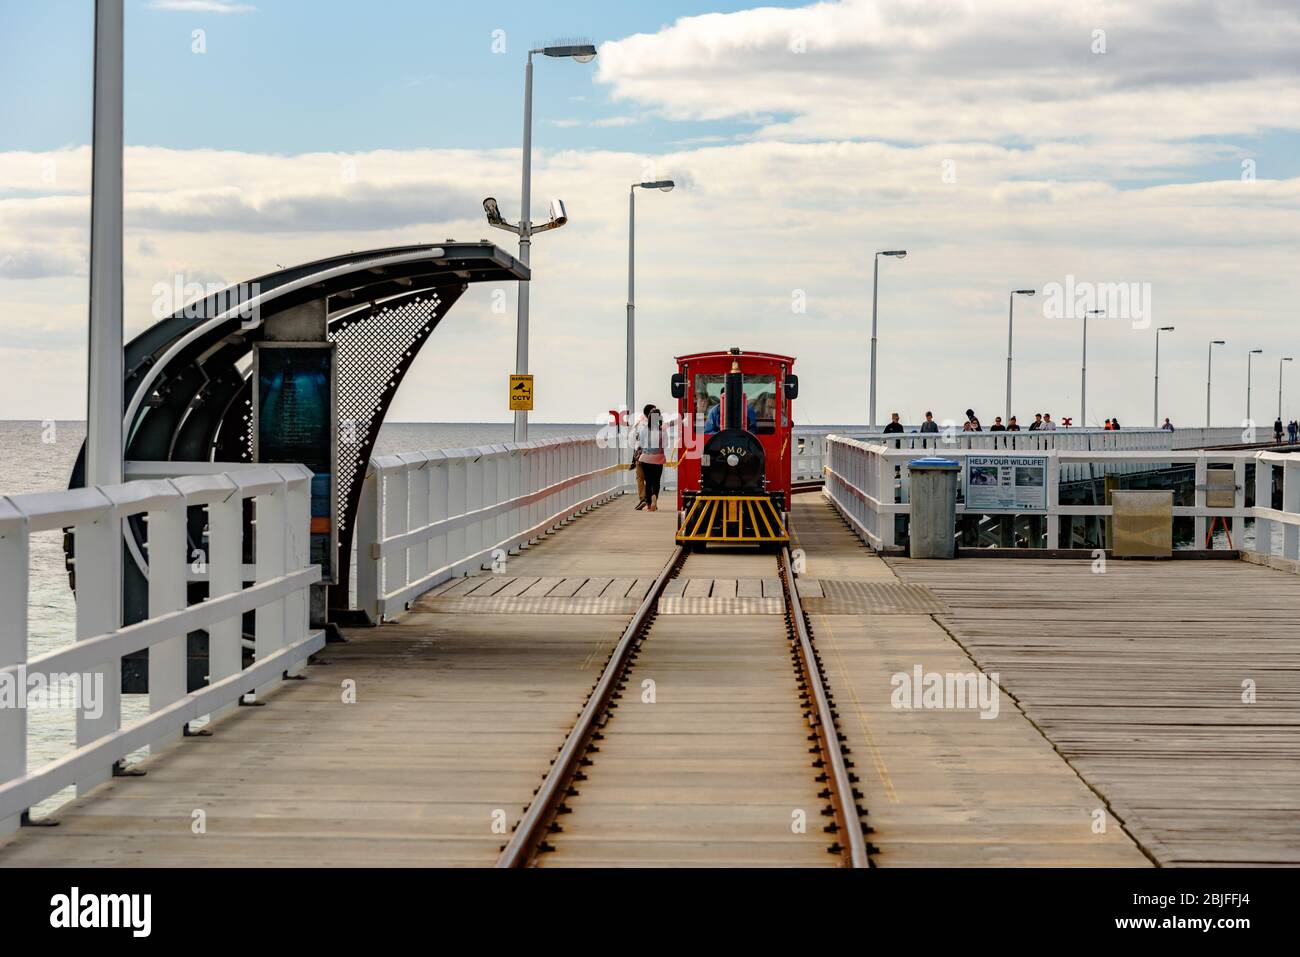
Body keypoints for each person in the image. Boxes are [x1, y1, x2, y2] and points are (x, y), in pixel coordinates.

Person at [635, 404, 667, 512]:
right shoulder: (662, 431)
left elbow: (641, 444)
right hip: (658, 458)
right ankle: (655, 498)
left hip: (646, 459)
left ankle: (649, 505)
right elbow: (665, 445)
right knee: (656, 481)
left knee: (648, 481)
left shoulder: (643, 430)